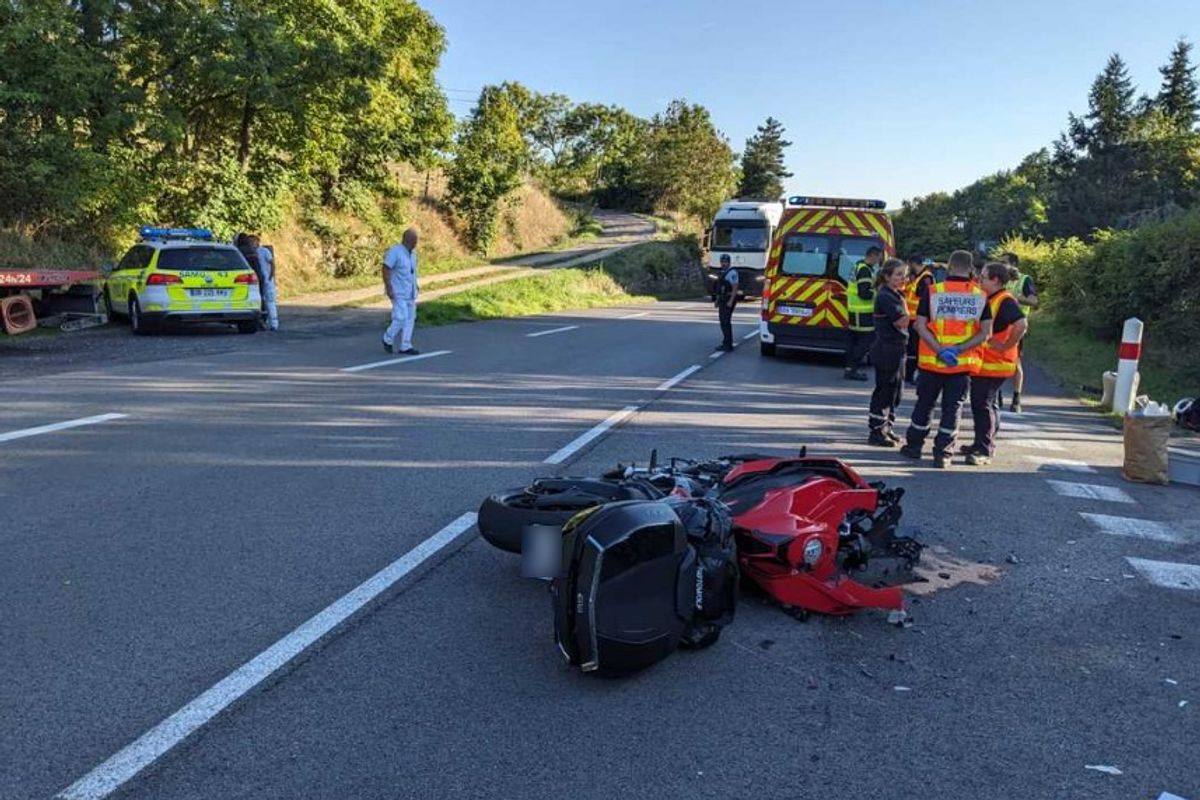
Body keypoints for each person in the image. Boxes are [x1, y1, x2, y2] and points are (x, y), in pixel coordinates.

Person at [900, 249, 993, 469]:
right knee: (952, 409)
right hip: (960, 366)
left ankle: (914, 446)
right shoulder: (980, 296)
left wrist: (940, 350)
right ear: (971, 269)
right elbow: (985, 333)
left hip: (932, 362)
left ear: (949, 267)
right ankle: (943, 454)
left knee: (924, 404)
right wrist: (958, 349)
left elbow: (919, 326)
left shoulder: (934, 291)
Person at [964, 262, 1028, 466]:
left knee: (983, 405)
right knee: (984, 404)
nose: (979, 279)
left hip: (996, 363)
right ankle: (980, 443)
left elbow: (1021, 324)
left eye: (983, 276)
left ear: (996, 280)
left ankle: (985, 449)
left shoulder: (1005, 301)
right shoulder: (991, 298)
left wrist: (1006, 345)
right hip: (986, 363)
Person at [867, 259, 910, 447]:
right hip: (887, 348)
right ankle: (877, 431)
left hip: (897, 348)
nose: (903, 278)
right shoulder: (886, 296)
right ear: (887, 276)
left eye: (905, 274)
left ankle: (887, 426)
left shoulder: (895, 294)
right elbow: (902, 321)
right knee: (885, 390)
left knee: (896, 391)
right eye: (899, 274)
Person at [1001, 252, 1038, 412]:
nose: (1001, 265)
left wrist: (1016, 298)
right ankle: (997, 394)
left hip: (1017, 325)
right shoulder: (999, 278)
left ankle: (1016, 398)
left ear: (1014, 264)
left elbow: (1033, 301)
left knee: (1015, 361)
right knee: (995, 359)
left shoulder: (1024, 279)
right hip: (1000, 325)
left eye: (1004, 262)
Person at [843, 245, 881, 381]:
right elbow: (864, 293)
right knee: (865, 341)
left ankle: (850, 368)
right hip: (863, 312)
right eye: (878, 257)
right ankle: (852, 369)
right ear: (873, 256)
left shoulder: (858, 266)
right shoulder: (864, 270)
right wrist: (878, 293)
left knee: (855, 341)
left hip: (855, 310)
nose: (879, 261)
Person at [382, 227, 420, 355]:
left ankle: (405, 345)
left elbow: (413, 273)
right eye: (414, 240)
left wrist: (416, 286)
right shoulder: (395, 251)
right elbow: (386, 268)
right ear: (407, 240)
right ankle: (387, 337)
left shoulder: (413, 255)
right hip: (397, 291)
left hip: (410, 292)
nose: (416, 243)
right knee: (400, 317)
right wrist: (388, 287)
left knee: (410, 318)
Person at [903, 255, 935, 384]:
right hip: (912, 319)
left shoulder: (926, 278)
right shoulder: (916, 278)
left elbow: (924, 300)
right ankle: (909, 374)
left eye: (909, 265)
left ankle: (915, 374)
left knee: (916, 349)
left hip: (918, 320)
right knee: (911, 349)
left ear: (913, 263)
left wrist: (921, 320)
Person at [714, 253, 738, 352]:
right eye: (722, 261)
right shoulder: (722, 272)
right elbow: (720, 288)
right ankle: (726, 342)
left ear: (729, 262)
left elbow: (735, 287)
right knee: (723, 321)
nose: (723, 263)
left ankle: (728, 345)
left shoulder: (732, 272)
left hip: (729, 298)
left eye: (725, 262)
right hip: (723, 299)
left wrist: (731, 301)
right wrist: (717, 300)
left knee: (725, 321)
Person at [255, 236, 278, 331]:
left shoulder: (264, 251)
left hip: (267, 280)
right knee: (261, 302)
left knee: (270, 301)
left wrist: (270, 277)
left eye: (253, 241)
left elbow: (272, 263)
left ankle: (274, 323)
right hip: (258, 280)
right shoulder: (251, 252)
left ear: (258, 241)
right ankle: (262, 322)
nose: (252, 243)